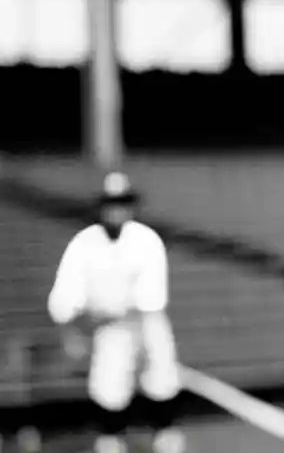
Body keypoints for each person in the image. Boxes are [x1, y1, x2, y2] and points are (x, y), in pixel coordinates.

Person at [47, 172, 185, 453]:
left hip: (146, 321)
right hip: (106, 327)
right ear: (100, 206)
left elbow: (150, 298)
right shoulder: (84, 243)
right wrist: (72, 331)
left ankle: (164, 431)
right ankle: (111, 437)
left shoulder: (146, 240)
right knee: (109, 383)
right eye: (111, 203)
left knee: (161, 376)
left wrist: (139, 333)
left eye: (122, 203)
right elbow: (65, 295)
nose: (116, 209)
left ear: (131, 206)